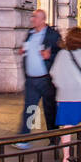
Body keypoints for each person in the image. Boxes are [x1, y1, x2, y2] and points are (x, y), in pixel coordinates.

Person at [48, 26, 81, 162]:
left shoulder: (62, 54)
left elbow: (53, 74)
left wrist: (62, 86)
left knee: (67, 127)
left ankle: (66, 157)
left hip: (65, 96)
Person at [15, 9, 60, 149]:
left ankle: (54, 138)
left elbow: (61, 54)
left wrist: (50, 56)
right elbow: (27, 49)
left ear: (42, 19)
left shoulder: (52, 35)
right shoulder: (30, 33)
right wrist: (23, 51)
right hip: (31, 79)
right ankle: (24, 138)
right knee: (30, 108)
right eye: (33, 17)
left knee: (50, 110)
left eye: (35, 17)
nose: (32, 19)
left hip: (46, 80)